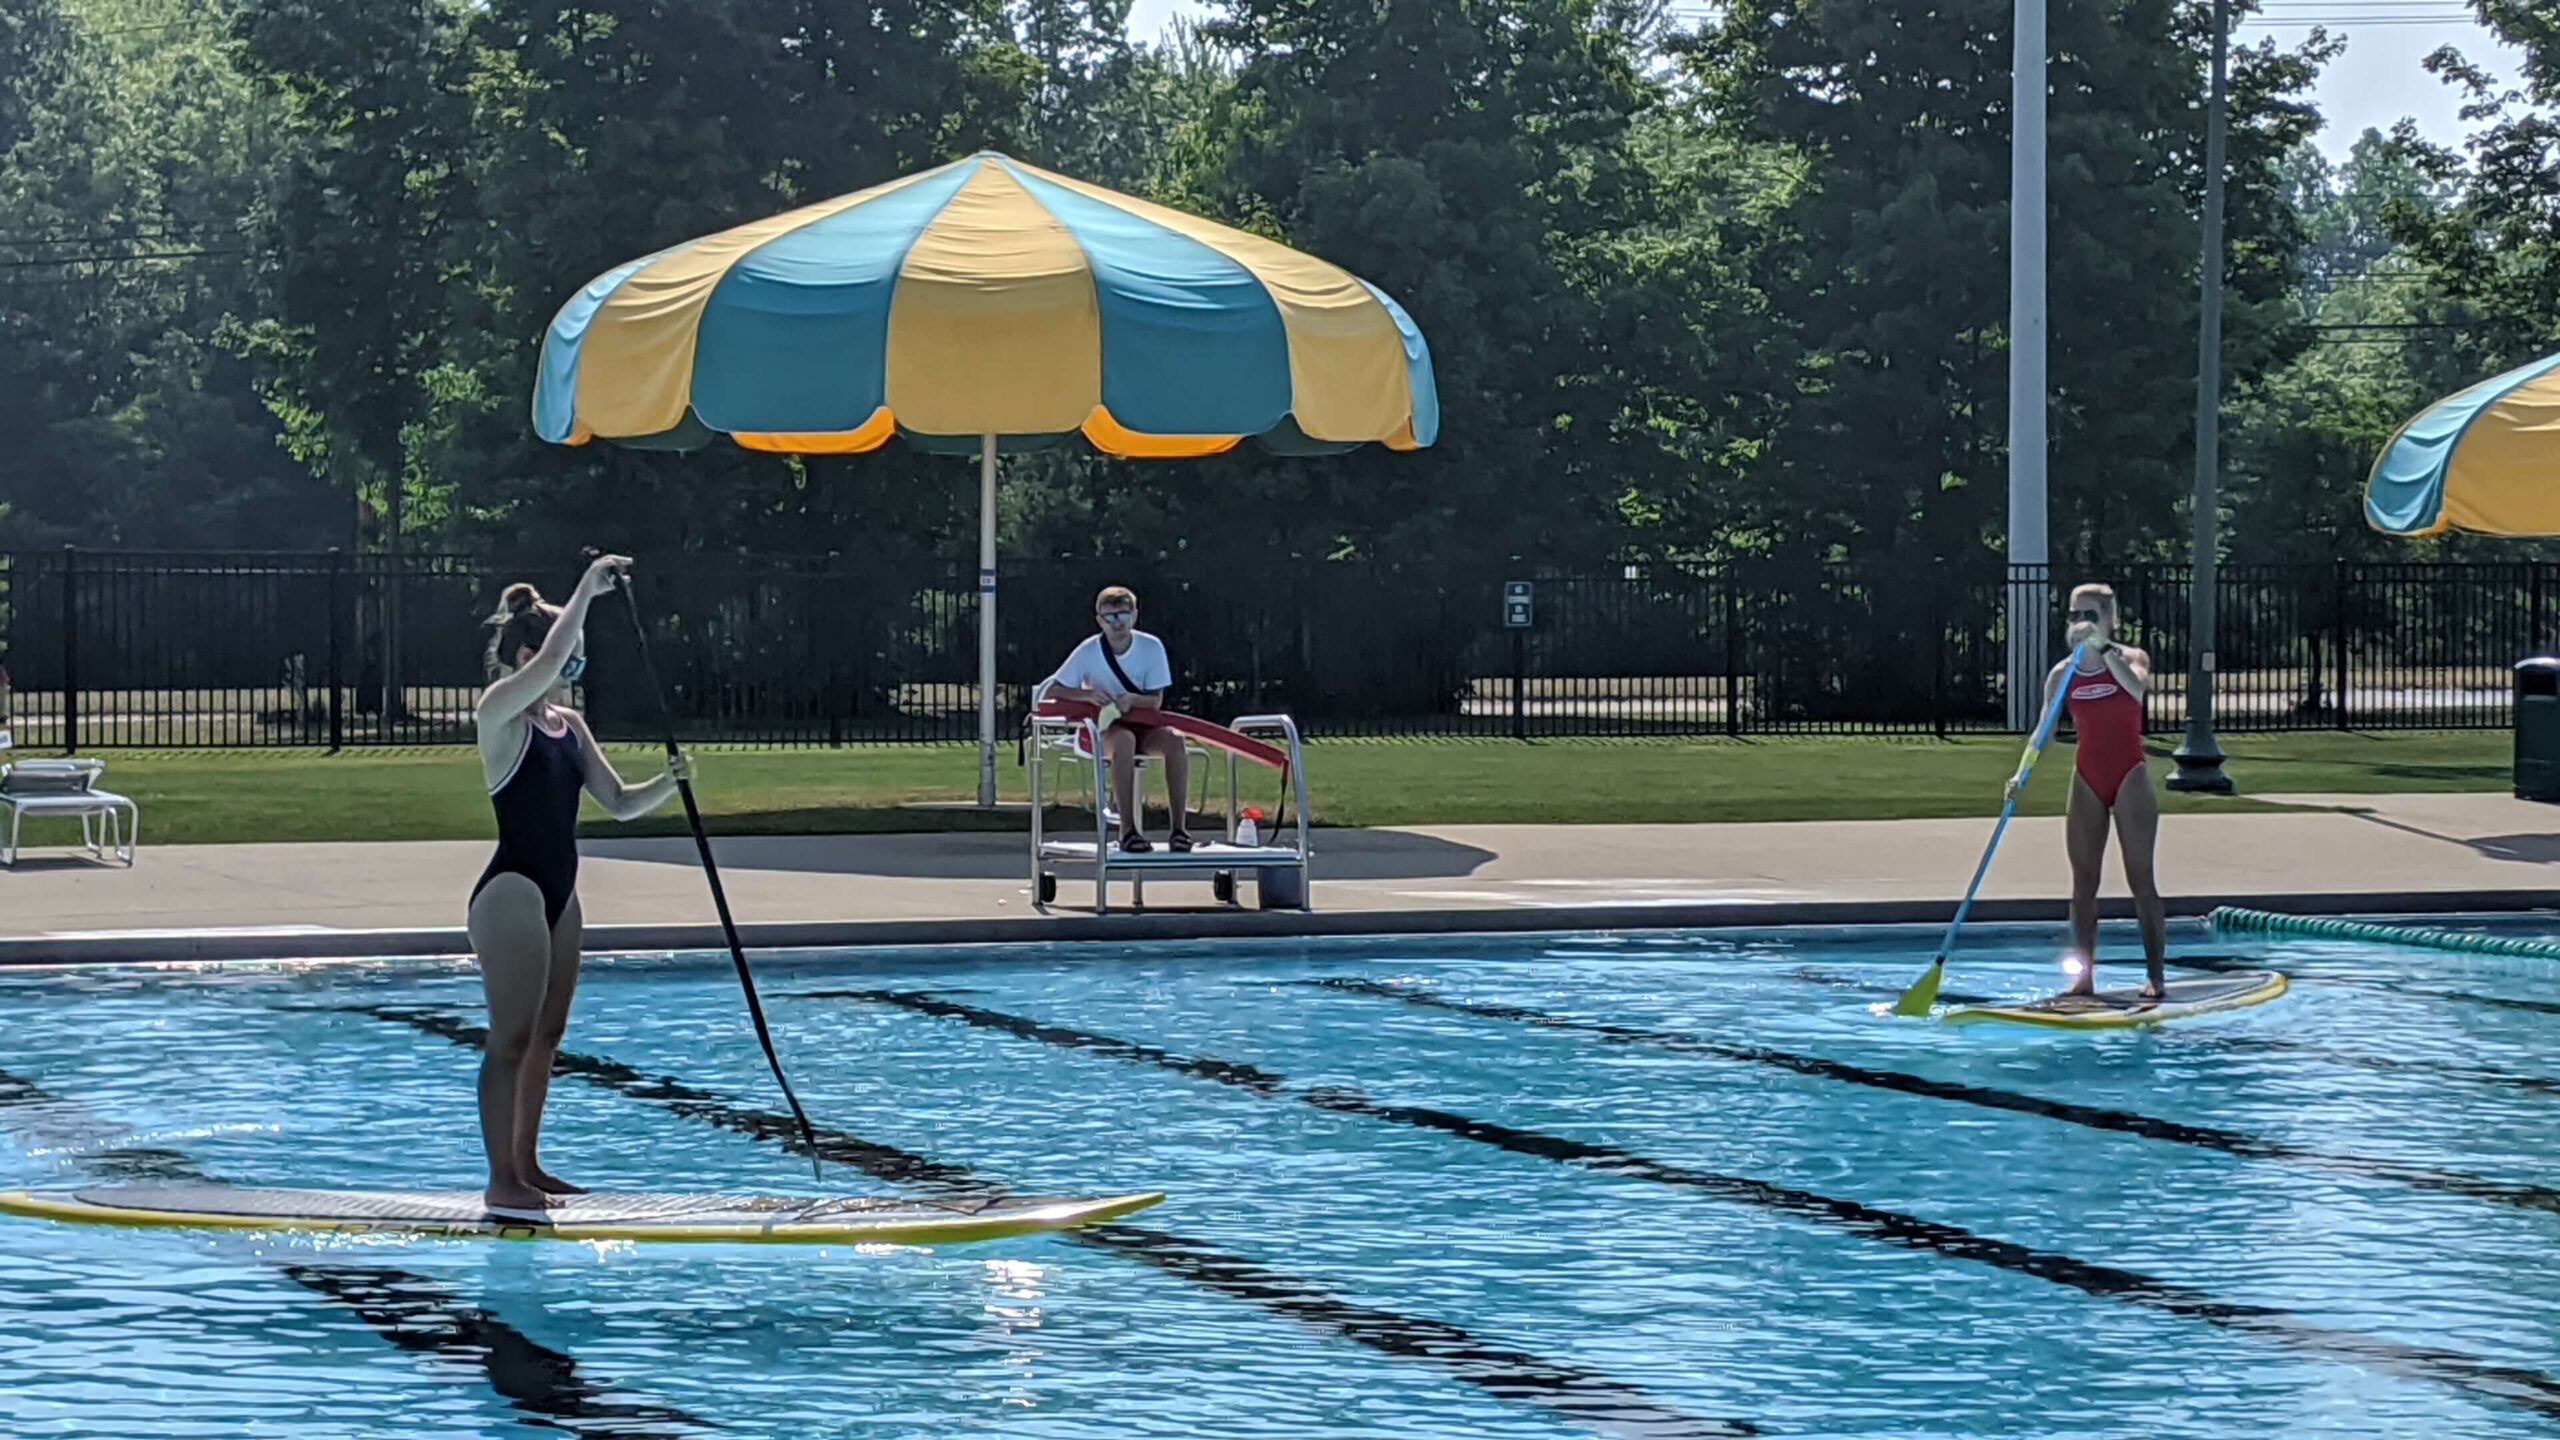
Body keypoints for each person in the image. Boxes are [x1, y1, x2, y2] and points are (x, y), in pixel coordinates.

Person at [469, 552, 690, 1213]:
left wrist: (669, 784)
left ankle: (528, 1165)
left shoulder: (570, 726)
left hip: (561, 892)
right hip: (512, 891)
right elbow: (542, 668)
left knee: (548, 1033)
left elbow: (617, 802)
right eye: (568, 654)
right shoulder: (500, 712)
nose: (574, 667)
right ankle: (499, 1176)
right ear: (535, 651)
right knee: (509, 1035)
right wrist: (588, 589)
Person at [2017, 582, 2166, 999]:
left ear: (2108, 618)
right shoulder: (2062, 675)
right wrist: (2021, 774)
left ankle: (2155, 977)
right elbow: (2044, 729)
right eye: (2074, 616)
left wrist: (2102, 650)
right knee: (2083, 883)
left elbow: (2136, 691)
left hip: (2130, 776)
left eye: (2089, 616)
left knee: (2141, 879)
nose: (2080, 624)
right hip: (2088, 778)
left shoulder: (2130, 658)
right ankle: (2083, 979)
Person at [1038, 585, 1190, 853]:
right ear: (1099, 620)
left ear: (1134, 615)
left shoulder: (1151, 647)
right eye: (1110, 617)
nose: (1116, 624)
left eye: (1122, 615)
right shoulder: (1088, 651)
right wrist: (1086, 695)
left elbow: (1155, 701)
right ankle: (1128, 831)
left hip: (1144, 724)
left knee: (1175, 741)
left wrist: (1131, 699)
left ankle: (1179, 829)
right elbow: (1053, 690)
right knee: (1123, 741)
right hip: (1103, 729)